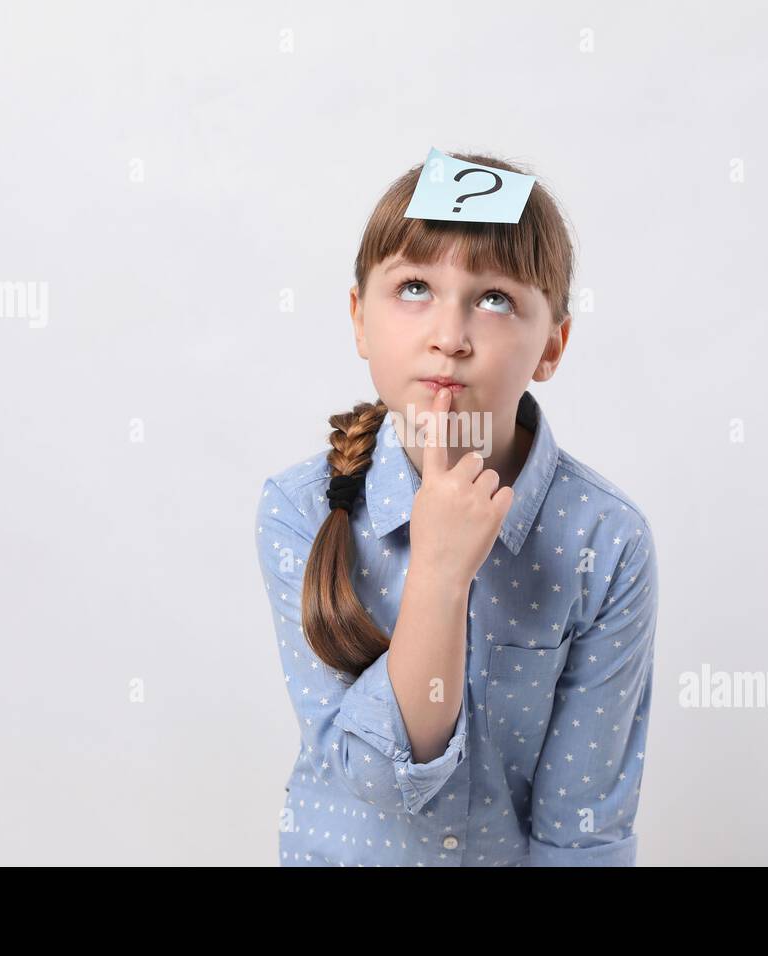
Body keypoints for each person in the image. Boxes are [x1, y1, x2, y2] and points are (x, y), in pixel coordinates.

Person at [254, 152, 658, 866]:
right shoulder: (301, 508)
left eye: (496, 298)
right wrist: (438, 571)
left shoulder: (606, 540)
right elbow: (379, 778)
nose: (450, 332)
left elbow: (583, 830)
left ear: (552, 346)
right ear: (359, 319)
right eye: (414, 286)